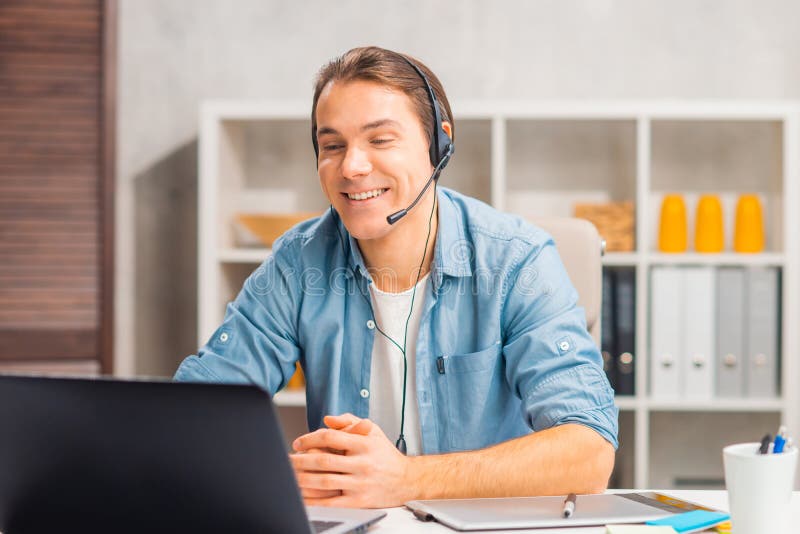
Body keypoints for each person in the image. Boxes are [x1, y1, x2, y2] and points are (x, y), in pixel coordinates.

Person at [174, 46, 618, 508]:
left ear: (437, 144)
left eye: (380, 140)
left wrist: (408, 479)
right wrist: (282, 475)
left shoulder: (515, 261)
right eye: (332, 145)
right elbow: (194, 417)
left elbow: (588, 453)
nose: (352, 167)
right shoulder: (299, 263)